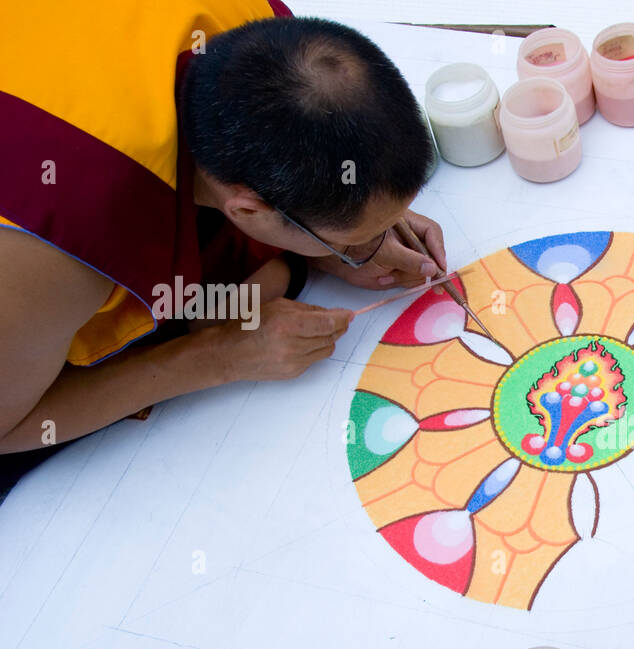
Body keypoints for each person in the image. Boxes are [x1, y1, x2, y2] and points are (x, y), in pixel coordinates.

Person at [0, 2, 445, 468]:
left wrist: (355, 221)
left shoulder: (262, 27)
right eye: (353, 244)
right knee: (251, 293)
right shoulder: (63, 245)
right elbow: (8, 427)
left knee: (261, 285)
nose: (371, 245)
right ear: (247, 209)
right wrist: (224, 356)